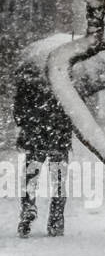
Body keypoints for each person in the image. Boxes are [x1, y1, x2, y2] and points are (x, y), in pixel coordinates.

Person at [14, 67, 74, 237]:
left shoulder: (27, 82)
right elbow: (73, 113)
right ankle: (56, 221)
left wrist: (31, 121)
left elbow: (18, 115)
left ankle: (28, 208)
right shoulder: (65, 81)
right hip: (59, 139)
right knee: (59, 182)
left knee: (30, 179)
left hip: (34, 139)